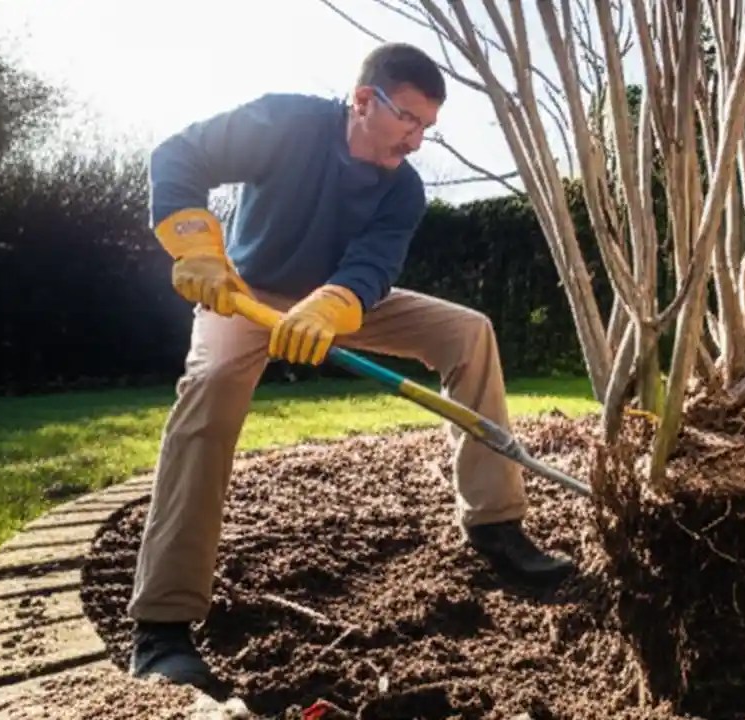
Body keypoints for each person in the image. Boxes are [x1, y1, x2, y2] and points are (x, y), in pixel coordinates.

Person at [128, 42, 574, 688]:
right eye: (409, 121)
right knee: (211, 387)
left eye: (428, 129)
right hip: (246, 296)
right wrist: (194, 244)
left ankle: (495, 524)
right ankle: (163, 626)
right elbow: (179, 155)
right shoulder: (286, 124)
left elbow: (372, 267)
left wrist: (331, 306)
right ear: (365, 100)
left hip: (340, 299)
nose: (417, 141)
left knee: (469, 333)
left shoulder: (404, 189)